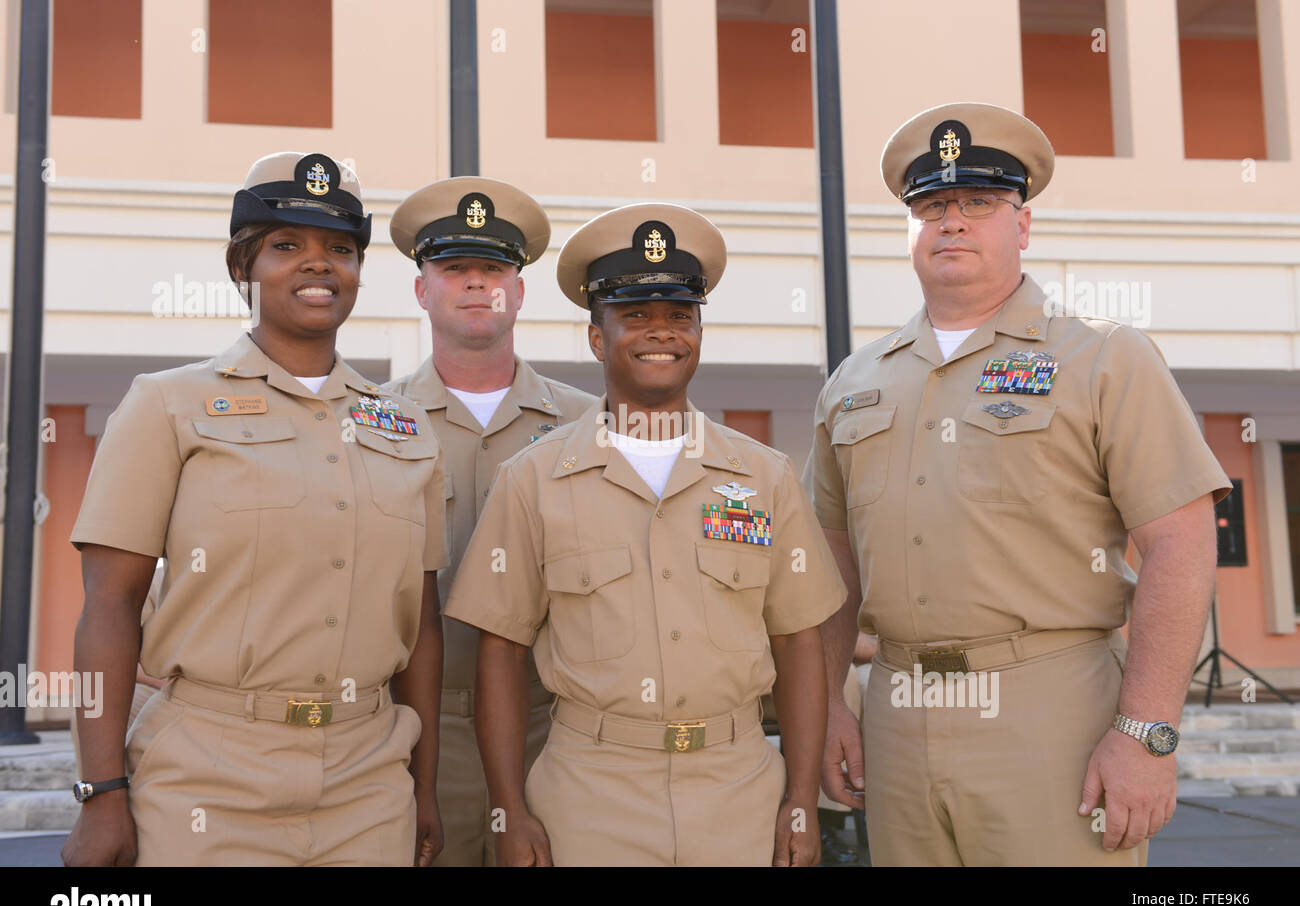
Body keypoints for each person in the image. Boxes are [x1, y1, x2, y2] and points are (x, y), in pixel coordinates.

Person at [807, 103, 1231, 866]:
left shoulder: (1103, 356)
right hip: (896, 715)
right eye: (932, 205)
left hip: (1052, 713)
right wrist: (830, 700)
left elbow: (1180, 538)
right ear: (909, 228)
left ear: (1023, 223)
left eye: (979, 202)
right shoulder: (854, 383)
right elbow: (831, 562)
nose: (954, 221)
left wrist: (1146, 732)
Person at [60, 152, 449, 867]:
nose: (317, 265)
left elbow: (419, 623)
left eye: (339, 249)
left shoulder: (406, 428)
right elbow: (107, 607)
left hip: (367, 782)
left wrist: (423, 788)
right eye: (285, 245)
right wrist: (101, 790)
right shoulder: (167, 405)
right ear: (244, 266)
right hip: (205, 776)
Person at [445, 203, 847, 866]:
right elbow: (499, 653)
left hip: (738, 791)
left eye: (679, 315)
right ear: (598, 337)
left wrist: (800, 800)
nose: (660, 332)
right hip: (589, 797)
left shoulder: (764, 476)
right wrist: (509, 809)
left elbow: (799, 641)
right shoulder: (533, 480)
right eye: (635, 315)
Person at [385, 177, 595, 866]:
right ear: (422, 290)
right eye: (453, 269)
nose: (476, 285)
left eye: (494, 269)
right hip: (411, 727)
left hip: (551, 725)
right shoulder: (369, 423)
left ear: (519, 289)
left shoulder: (589, 424)